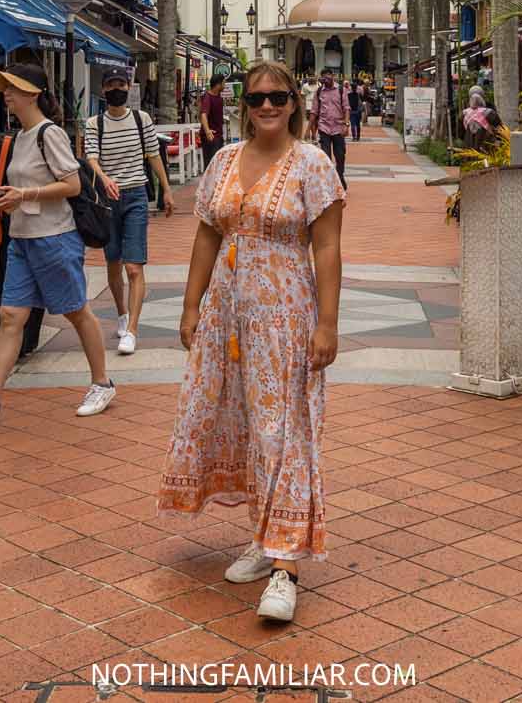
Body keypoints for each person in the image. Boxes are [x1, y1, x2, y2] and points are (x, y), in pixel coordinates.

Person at [159, 59, 343, 625]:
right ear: (244, 104)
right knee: (241, 422)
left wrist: (327, 323)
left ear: (294, 104)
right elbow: (206, 235)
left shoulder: (312, 164)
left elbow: (327, 248)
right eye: (256, 97)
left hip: (285, 314)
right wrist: (191, 305)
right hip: (227, 314)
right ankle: (264, 539)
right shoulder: (223, 160)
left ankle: (287, 566)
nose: (266, 106)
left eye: (277, 97)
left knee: (284, 428)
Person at [0, 64, 116, 424]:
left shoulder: (49, 134)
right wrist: (0, 202)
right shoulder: (19, 137)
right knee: (10, 316)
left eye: (14, 87)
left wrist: (24, 194)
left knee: (75, 311)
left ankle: (102, 383)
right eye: (5, 87)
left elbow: (72, 185)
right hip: (21, 239)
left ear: (34, 93)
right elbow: (21, 188)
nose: (6, 93)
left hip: (54, 238)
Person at [85, 69, 174, 356]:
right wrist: (103, 178)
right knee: (113, 263)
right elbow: (91, 158)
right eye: (111, 85)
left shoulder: (141, 119)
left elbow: (153, 154)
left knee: (133, 267)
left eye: (121, 84)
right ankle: (122, 314)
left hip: (136, 196)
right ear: (103, 89)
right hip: (108, 199)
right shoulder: (94, 124)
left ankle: (132, 331)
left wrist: (166, 189)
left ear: (129, 87)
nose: (117, 89)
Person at [311, 71, 348, 187]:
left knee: (340, 156)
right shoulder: (319, 92)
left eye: (328, 76)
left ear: (333, 76)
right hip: (324, 128)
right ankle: (330, 181)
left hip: (338, 128)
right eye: (323, 77)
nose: (325, 79)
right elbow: (314, 111)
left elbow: (346, 108)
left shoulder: (341, 90)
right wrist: (310, 131)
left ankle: (340, 176)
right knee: (326, 158)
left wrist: (346, 125)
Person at [198, 72, 228, 167]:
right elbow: (203, 114)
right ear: (218, 84)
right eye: (223, 83)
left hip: (218, 135)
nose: (225, 85)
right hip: (211, 136)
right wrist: (207, 131)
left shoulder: (218, 97)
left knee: (218, 165)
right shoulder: (208, 97)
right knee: (211, 166)